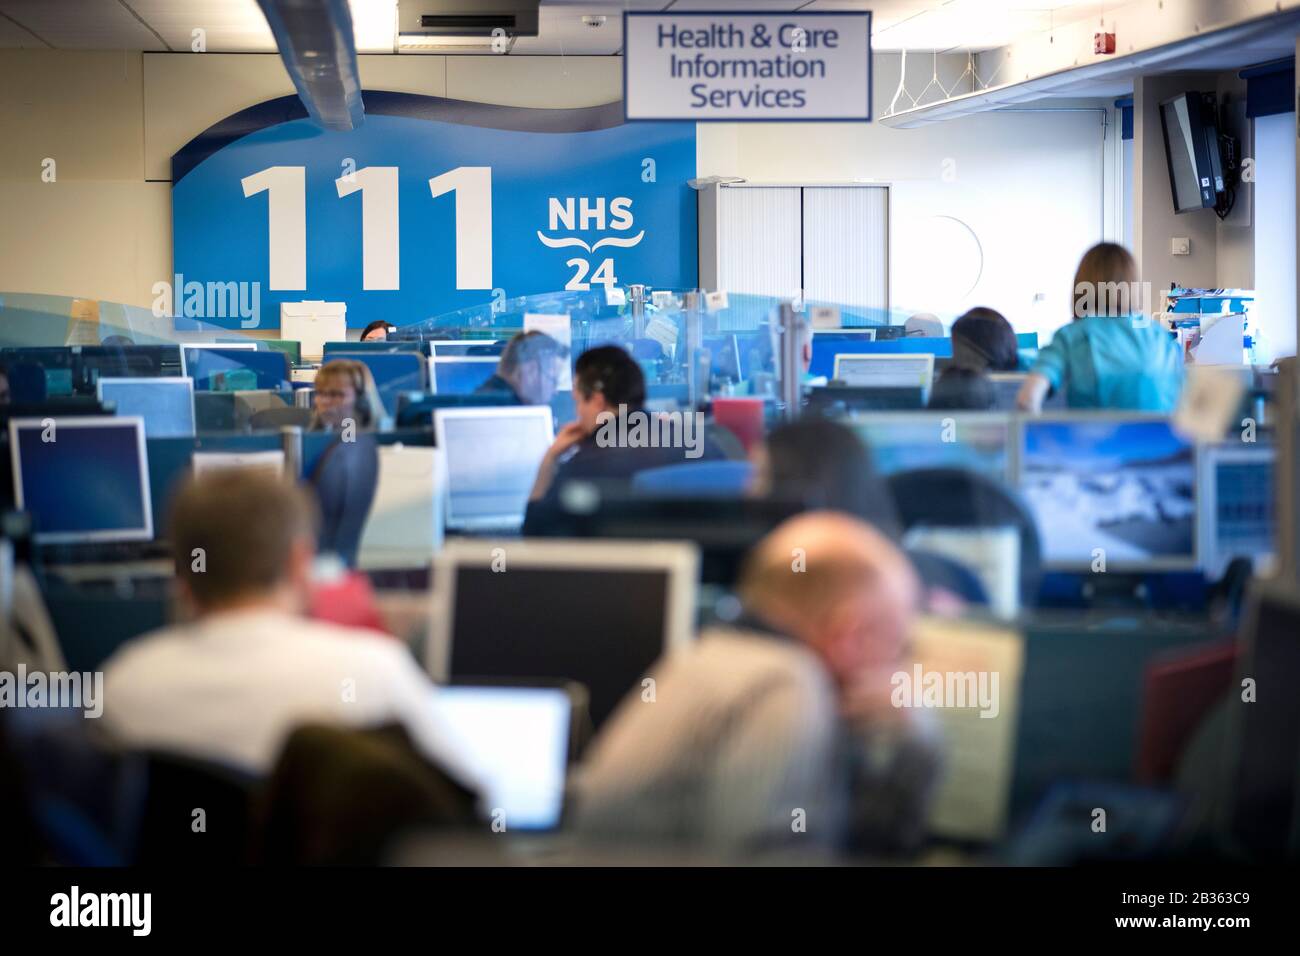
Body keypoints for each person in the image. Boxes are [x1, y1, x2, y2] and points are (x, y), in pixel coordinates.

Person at [572, 512, 939, 856]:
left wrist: (911, 742)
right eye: (897, 647)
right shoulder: (785, 686)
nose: (899, 668)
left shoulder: (710, 656)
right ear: (851, 634)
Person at [101, 469, 472, 780]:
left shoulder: (123, 683)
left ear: (182, 574)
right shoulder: (371, 671)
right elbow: (470, 796)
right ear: (299, 561)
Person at [523, 345, 723, 532]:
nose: (578, 413)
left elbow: (534, 533)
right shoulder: (700, 443)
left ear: (597, 402)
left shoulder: (584, 467)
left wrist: (549, 459)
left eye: (577, 402)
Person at [1018, 243, 1184, 412]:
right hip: (1157, 438)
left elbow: (1028, 399)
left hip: (1088, 437)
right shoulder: (1160, 336)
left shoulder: (1069, 337)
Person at [474, 330, 568, 405]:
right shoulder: (500, 413)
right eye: (553, 380)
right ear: (531, 371)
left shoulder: (499, 399)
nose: (555, 391)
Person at [310, 358, 385, 431]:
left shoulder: (384, 442)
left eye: (335, 394)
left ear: (361, 401)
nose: (324, 401)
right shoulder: (309, 439)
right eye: (320, 393)